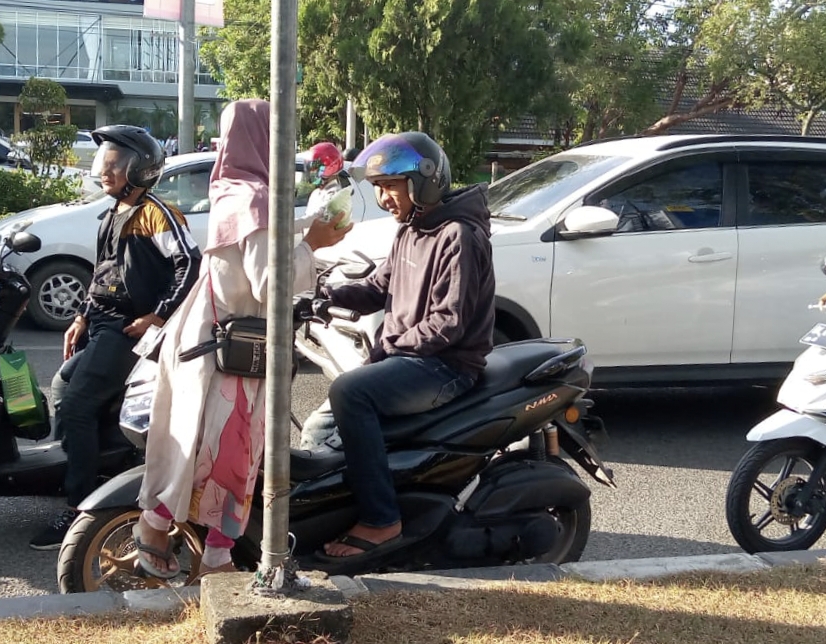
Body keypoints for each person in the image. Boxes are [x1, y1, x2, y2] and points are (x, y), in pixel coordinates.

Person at [131, 99, 351, 580]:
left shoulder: (234, 190)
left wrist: (304, 232)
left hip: (213, 345)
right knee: (225, 456)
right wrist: (313, 244)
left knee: (205, 449)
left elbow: (257, 245)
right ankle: (174, 538)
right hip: (227, 357)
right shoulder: (253, 199)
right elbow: (270, 284)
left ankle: (210, 553)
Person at [310, 132, 495, 560]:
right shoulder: (413, 229)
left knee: (349, 391)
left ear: (424, 181)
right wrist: (324, 295)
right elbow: (379, 287)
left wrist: (392, 347)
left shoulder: (459, 236)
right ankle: (335, 510)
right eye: (377, 188)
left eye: (390, 187)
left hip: (444, 366)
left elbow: (449, 323)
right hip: (412, 358)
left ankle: (381, 519)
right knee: (320, 428)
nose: (384, 198)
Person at [29, 125, 202, 550]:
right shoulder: (112, 213)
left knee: (75, 405)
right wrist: (81, 318)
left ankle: (78, 507)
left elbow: (190, 265)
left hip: (129, 330)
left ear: (139, 170)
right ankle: (87, 469)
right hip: (103, 324)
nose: (104, 172)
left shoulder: (157, 214)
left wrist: (157, 317)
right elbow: (103, 274)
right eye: (103, 163)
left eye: (114, 165)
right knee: (62, 385)